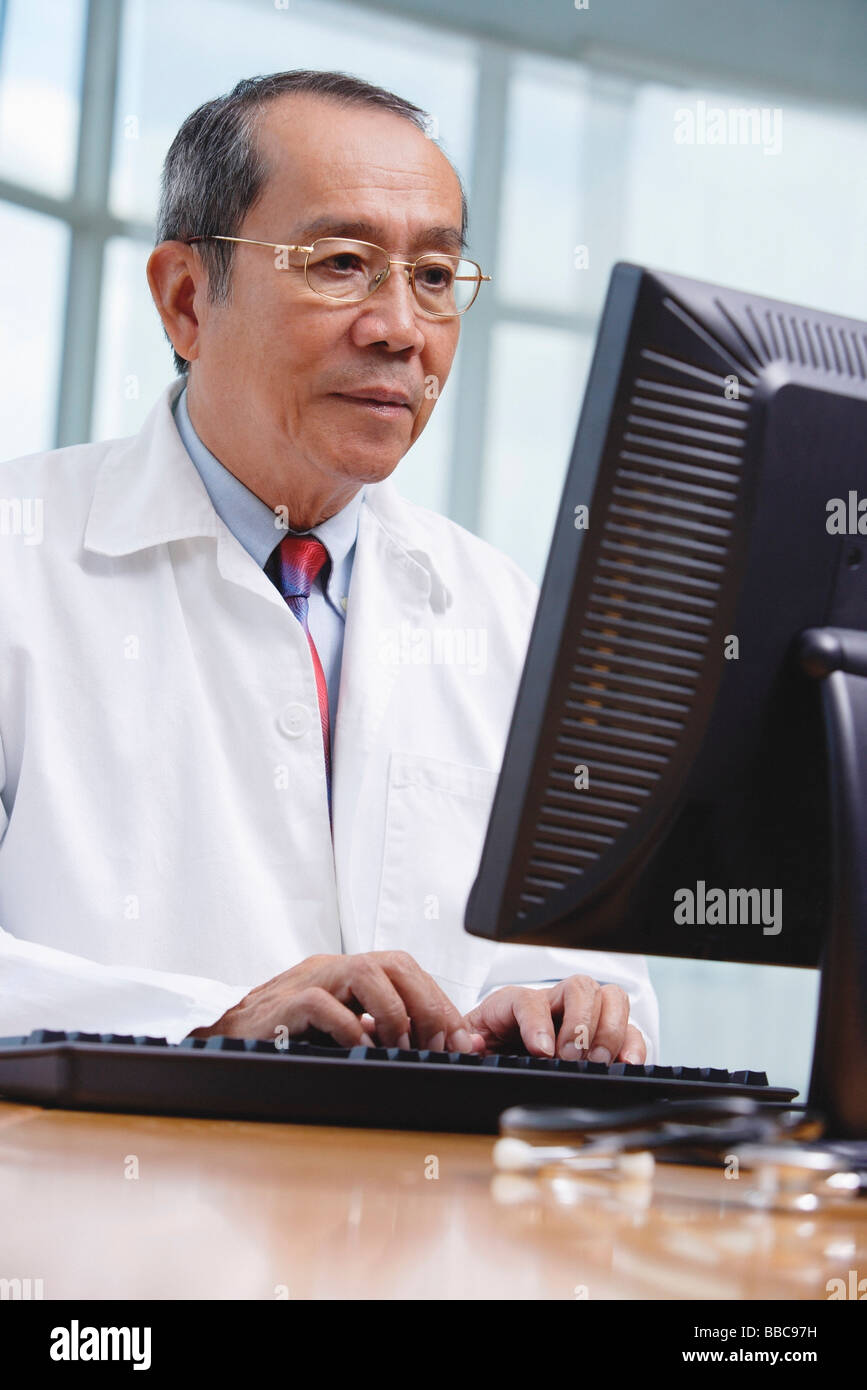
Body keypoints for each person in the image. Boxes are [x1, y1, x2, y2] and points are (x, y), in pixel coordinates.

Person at [0, 70, 658, 1063]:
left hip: (420, 1210)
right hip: (82, 1206)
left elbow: (581, 957)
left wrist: (560, 1002)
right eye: (342, 263)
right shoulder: (22, 556)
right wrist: (214, 1019)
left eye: (436, 277)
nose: (400, 328)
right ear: (186, 300)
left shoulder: (502, 611)